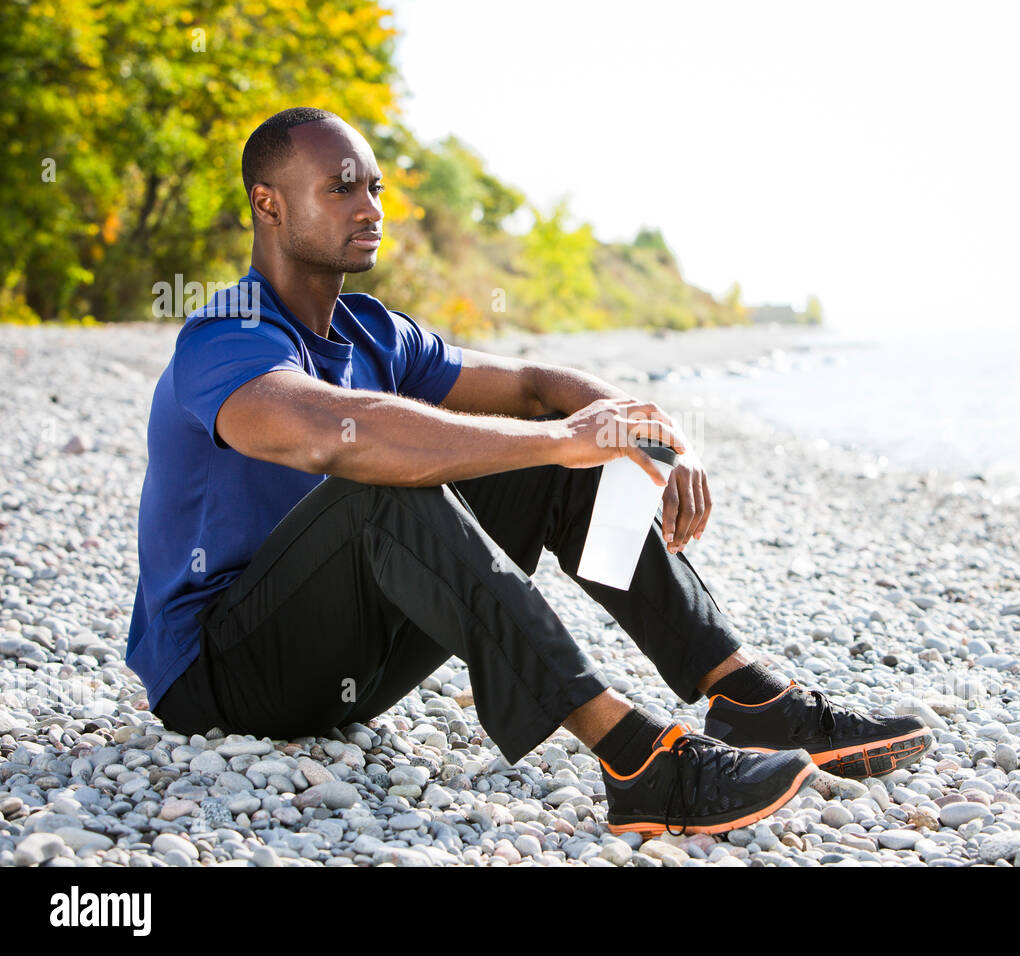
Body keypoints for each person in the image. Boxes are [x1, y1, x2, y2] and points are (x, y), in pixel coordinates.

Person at [126, 107, 933, 838]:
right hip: (220, 677)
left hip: (346, 669)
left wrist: (654, 437)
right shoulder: (225, 334)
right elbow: (329, 438)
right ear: (269, 203)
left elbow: (536, 386)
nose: (370, 208)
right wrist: (557, 441)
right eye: (340, 189)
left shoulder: (375, 332)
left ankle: (748, 697)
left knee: (555, 444)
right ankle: (637, 759)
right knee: (393, 483)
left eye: (374, 188)